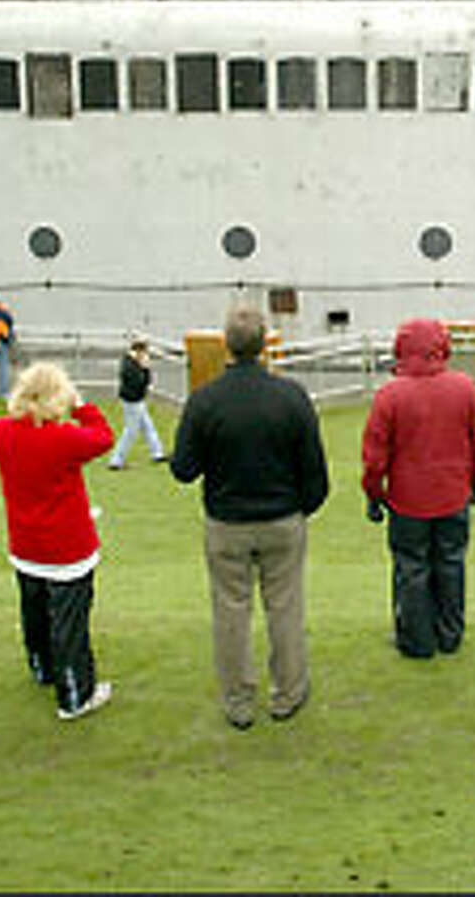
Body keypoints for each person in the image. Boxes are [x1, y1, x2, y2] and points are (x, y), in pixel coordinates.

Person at [170, 304, 330, 729]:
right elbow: (315, 470)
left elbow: (183, 468)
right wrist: (302, 508)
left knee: (230, 612)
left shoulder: (206, 400)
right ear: (265, 346)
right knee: (286, 608)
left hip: (227, 523)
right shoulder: (291, 396)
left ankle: (238, 700)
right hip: (282, 520)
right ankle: (289, 692)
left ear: (228, 345)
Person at [0, 362, 116, 720]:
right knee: (69, 624)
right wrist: (81, 406)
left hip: (26, 546)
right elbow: (103, 437)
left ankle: (42, 668)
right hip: (66, 550)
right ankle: (75, 695)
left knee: (36, 614)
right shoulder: (64, 439)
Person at [361, 319, 475, 659]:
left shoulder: (390, 395)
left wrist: (374, 494)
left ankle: (417, 640)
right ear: (442, 348)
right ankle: (450, 635)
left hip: (408, 501)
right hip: (453, 495)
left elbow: (375, 456)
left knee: (411, 569)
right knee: (451, 563)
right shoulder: (464, 389)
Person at [106, 338, 167, 469]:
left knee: (147, 426)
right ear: (139, 351)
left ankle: (157, 453)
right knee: (131, 431)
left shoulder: (129, 362)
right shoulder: (131, 365)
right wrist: (145, 369)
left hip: (135, 399)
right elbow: (140, 382)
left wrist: (144, 369)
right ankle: (116, 460)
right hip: (133, 400)